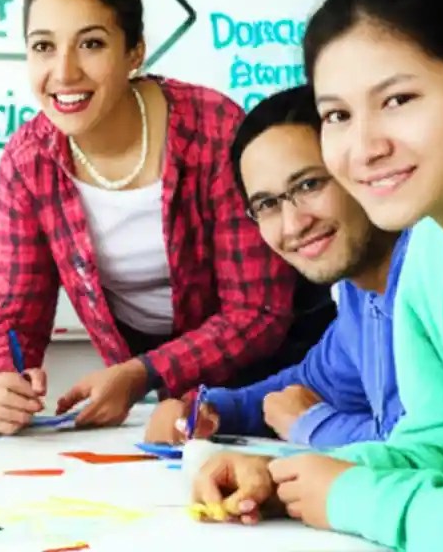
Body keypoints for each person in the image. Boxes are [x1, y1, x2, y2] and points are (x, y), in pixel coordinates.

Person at [192, 0, 443, 550]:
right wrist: (286, 480)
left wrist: (351, 495)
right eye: (338, 115)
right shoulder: (433, 255)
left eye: (398, 100)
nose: (364, 146)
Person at [0, 0, 303, 435]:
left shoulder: (214, 130)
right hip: (157, 407)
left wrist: (143, 374)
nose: (63, 72)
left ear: (134, 51)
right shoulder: (28, 163)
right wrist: (2, 375)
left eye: (90, 44)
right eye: (43, 46)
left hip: (271, 388)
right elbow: (13, 313)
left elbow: (257, 310)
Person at [145, 85, 406, 448]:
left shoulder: (433, 273)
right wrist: (205, 410)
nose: (293, 224)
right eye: (267, 204)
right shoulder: (357, 295)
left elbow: (434, 446)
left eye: (310, 184)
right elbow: (307, 386)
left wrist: (310, 423)